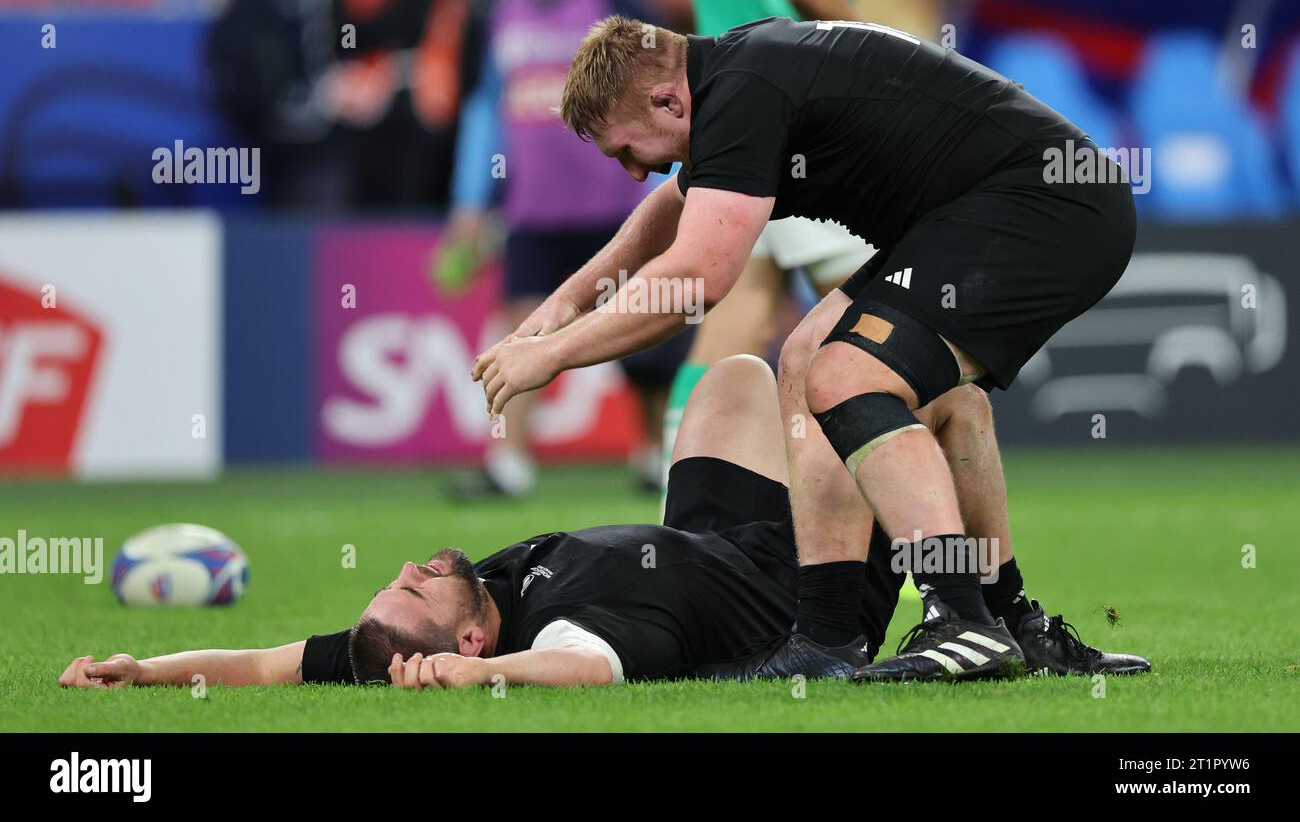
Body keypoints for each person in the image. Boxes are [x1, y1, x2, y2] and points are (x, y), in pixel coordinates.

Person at [471, 14, 1148, 682]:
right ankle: (837, 636)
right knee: (808, 357)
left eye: (625, 150)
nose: (628, 172)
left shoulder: (740, 91)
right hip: (996, 207)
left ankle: (962, 617)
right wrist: (568, 299)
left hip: (1046, 206)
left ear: (666, 100)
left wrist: (554, 353)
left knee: (848, 377)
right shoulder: (732, 77)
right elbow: (673, 206)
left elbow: (696, 283)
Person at [58, 357, 1144, 691]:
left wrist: (146, 671)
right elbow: (588, 676)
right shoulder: (560, 635)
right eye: (414, 589)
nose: (412, 566)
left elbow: (266, 659)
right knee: (914, 407)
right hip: (805, 584)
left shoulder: (464, 591)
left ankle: (990, 611)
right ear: (472, 640)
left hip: (720, 532)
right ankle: (987, 612)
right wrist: (484, 685)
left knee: (731, 376)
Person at [439, 0, 691, 498]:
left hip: (621, 203)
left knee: (645, 328)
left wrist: (661, 190)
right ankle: (508, 461)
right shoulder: (498, 8)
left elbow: (666, 94)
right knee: (522, 324)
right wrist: (470, 202)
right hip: (534, 206)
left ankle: (651, 455)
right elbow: (481, 109)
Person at [653, 0, 878, 491]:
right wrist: (877, 52)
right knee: (880, 326)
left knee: (731, 325)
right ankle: (913, 546)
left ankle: (686, 520)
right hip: (800, 102)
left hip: (721, 110)